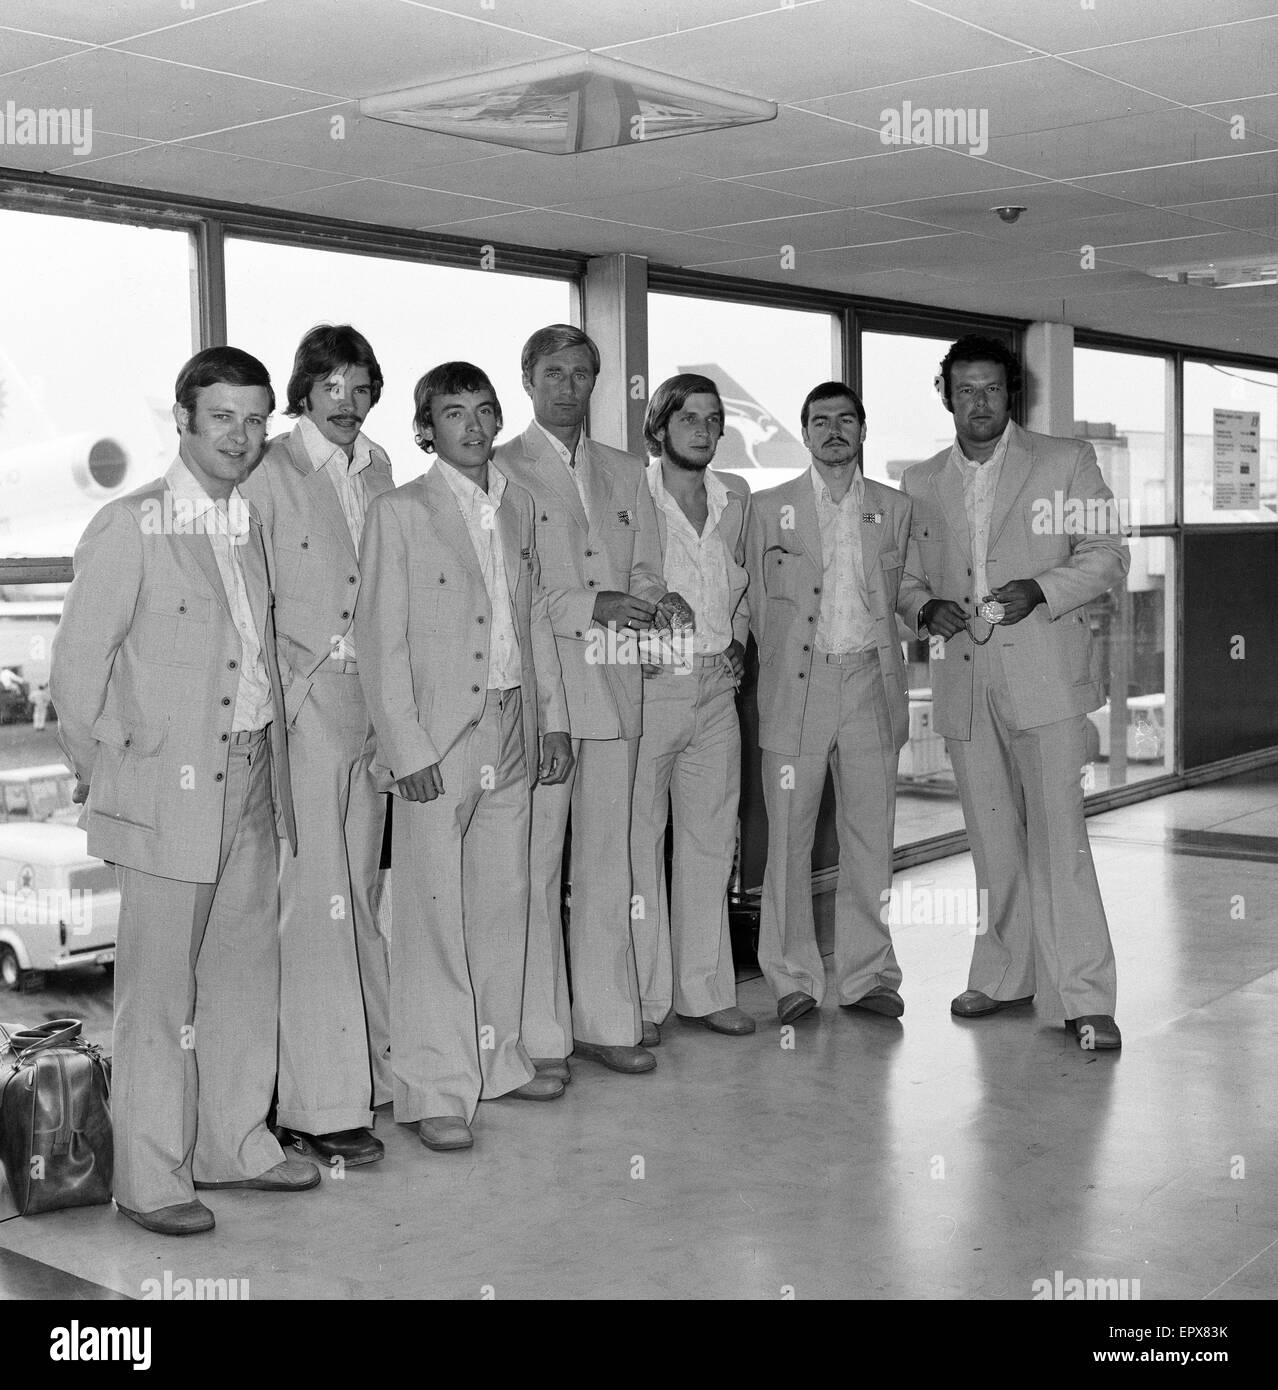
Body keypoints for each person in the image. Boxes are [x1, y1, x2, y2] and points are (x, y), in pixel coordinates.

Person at [51, 346, 315, 1237]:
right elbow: (76, 677)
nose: (242, 435)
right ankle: (150, 1176)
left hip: (248, 774)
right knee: (159, 997)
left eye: (256, 417)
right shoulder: (132, 525)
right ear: (183, 419)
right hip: (166, 790)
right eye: (223, 418)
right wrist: (120, 783)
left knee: (244, 976)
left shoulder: (247, 524)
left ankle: (233, 1146)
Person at [357, 361, 574, 1152]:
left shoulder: (518, 508)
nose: (475, 426)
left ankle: (499, 1061)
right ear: (427, 429)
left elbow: (537, 621)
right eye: (455, 413)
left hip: (515, 726)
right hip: (440, 743)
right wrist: (405, 747)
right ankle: (434, 1089)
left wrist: (551, 722)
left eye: (484, 411)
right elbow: (380, 643)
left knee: (501, 904)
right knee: (430, 920)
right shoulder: (400, 511)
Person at [897, 335, 1128, 1050]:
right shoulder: (921, 480)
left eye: (992, 389)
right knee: (994, 842)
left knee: (1063, 842)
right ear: (946, 395)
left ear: (1010, 395)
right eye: (965, 390)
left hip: (1045, 679)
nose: (979, 403)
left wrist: (1041, 589)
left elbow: (1108, 554)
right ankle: (1004, 975)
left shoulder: (1065, 462)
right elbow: (904, 577)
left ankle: (1084, 996)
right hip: (967, 681)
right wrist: (920, 608)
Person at [493, 325, 687, 1075]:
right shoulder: (501, 467)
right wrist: (593, 603)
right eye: (553, 372)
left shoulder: (626, 469)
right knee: (536, 870)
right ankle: (539, 1040)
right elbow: (515, 588)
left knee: (611, 865)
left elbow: (645, 566)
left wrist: (652, 600)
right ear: (527, 379)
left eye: (581, 373)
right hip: (546, 694)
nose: (567, 386)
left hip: (615, 684)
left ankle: (609, 1022)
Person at [239, 324, 393, 1169]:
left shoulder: (378, 470)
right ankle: (316, 1105)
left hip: (370, 704)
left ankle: (369, 1074)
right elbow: (250, 601)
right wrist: (289, 692)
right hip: (304, 707)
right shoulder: (267, 471)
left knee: (358, 897)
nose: (348, 400)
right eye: (332, 385)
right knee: (316, 905)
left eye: (362, 386)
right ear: (303, 391)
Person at [746, 382, 912, 1025]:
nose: (833, 431)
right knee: (788, 837)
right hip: (797, 687)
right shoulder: (770, 508)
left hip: (871, 681)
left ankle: (870, 975)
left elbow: (909, 592)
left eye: (846, 420)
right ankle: (791, 978)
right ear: (805, 432)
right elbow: (754, 601)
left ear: (863, 431)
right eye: (820, 421)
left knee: (871, 836)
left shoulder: (896, 508)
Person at [630, 373, 755, 1041]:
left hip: (714, 688)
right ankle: (645, 1003)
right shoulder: (630, 496)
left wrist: (738, 639)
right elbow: (602, 581)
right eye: (688, 418)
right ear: (660, 426)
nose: (702, 430)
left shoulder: (736, 501)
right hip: (651, 684)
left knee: (711, 842)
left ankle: (705, 991)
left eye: (712, 419)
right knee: (638, 844)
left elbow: (749, 586)